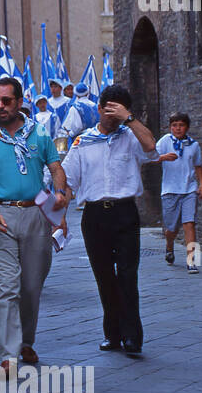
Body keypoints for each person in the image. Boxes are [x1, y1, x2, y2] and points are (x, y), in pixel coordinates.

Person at [0, 77, 67, 379]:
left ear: (19, 101)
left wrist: (60, 193)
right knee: (7, 287)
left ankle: (26, 342)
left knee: (31, 287)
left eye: (6, 101)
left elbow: (55, 167)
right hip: (1, 216)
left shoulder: (39, 133)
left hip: (36, 214)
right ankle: (8, 355)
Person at [60, 84, 159, 358]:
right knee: (104, 277)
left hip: (125, 212)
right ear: (99, 108)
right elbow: (67, 181)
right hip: (94, 216)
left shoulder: (131, 136)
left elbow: (151, 147)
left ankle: (132, 337)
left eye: (118, 112)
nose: (111, 117)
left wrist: (130, 118)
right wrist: (58, 215)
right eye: (108, 110)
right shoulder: (83, 142)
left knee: (128, 276)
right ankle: (112, 334)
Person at [155, 112, 202, 273]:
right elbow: (151, 157)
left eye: (181, 125)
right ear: (170, 127)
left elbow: (198, 165)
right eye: (174, 125)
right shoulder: (164, 141)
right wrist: (163, 157)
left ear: (187, 127)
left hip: (189, 189)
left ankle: (192, 261)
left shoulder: (194, 145)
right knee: (171, 229)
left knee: (189, 224)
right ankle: (169, 247)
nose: (178, 128)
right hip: (170, 190)